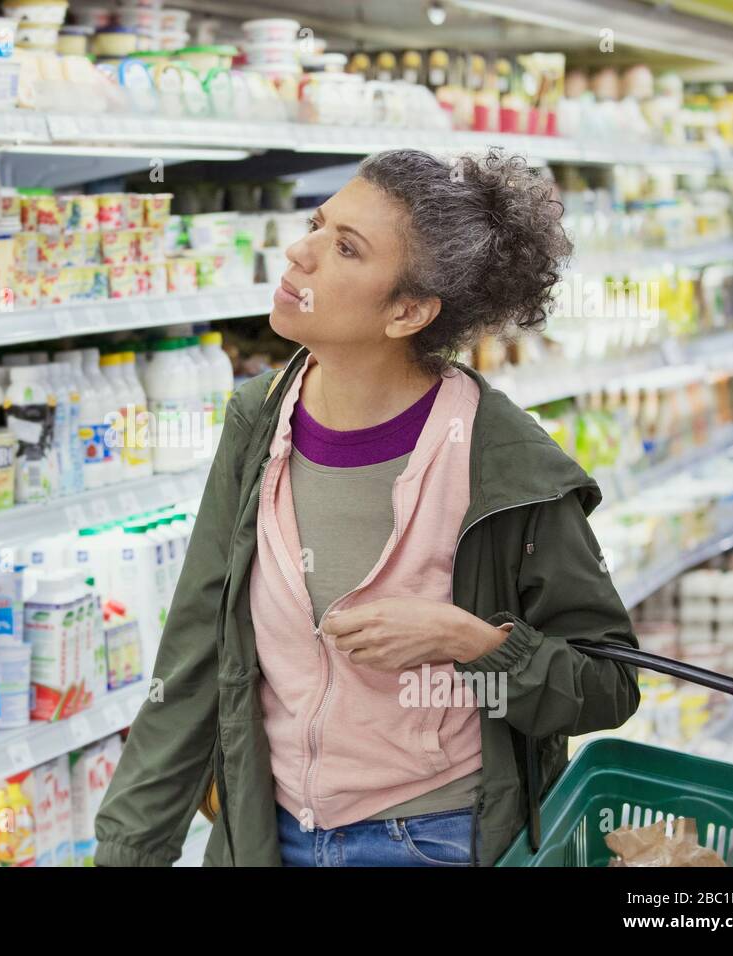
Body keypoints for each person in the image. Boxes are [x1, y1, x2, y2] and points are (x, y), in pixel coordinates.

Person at [93, 147, 642, 867]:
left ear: (408, 311)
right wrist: (129, 853)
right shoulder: (258, 421)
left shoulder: (504, 461)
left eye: (345, 248)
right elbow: (195, 652)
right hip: (266, 833)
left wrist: (469, 640)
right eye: (318, 224)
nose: (300, 251)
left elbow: (608, 685)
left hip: (434, 841)